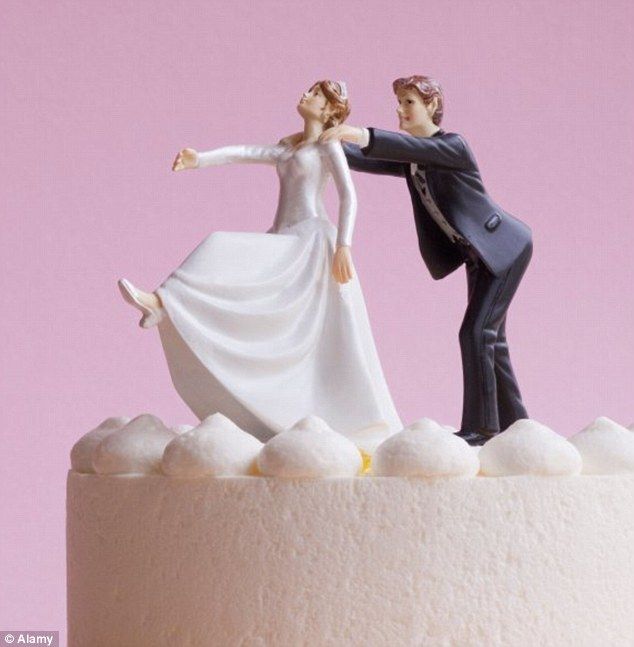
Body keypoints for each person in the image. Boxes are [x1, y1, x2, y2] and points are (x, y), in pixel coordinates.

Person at [118, 80, 402, 444]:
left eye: (317, 95)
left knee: (221, 246)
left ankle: (163, 302)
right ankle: (166, 306)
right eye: (310, 90)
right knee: (254, 300)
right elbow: (245, 152)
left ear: (331, 110)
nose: (306, 95)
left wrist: (344, 244)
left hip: (311, 240)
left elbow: (349, 196)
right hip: (282, 237)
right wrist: (200, 159)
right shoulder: (288, 147)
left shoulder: (327, 146)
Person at [308, 75, 532, 446]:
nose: (401, 109)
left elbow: (385, 145)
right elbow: (369, 158)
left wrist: (357, 132)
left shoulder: (453, 146)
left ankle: (482, 429)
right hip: (478, 254)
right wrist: (323, 139)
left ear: (431, 105)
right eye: (398, 102)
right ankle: (517, 424)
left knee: (475, 333)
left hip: (504, 248)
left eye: (409, 102)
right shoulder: (414, 157)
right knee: (493, 339)